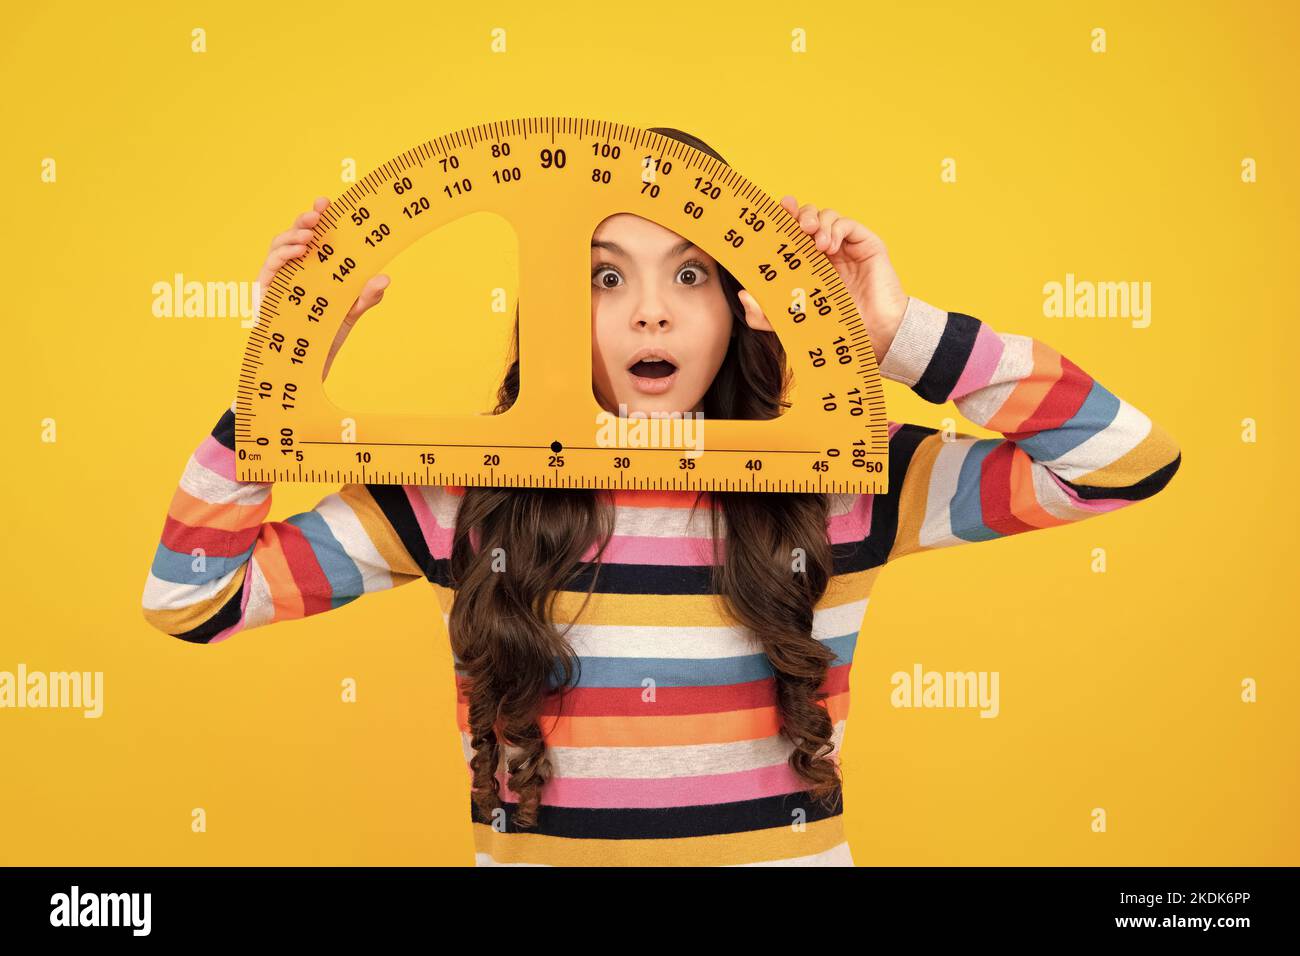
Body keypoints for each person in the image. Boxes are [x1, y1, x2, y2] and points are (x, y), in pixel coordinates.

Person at [141, 127, 1182, 866]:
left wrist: (899, 334)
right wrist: (275, 384)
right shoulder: (456, 501)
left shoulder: (842, 481)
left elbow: (1123, 460)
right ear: (549, 303)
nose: (648, 314)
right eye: (604, 276)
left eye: (690, 274)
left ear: (747, 298)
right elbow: (193, 599)